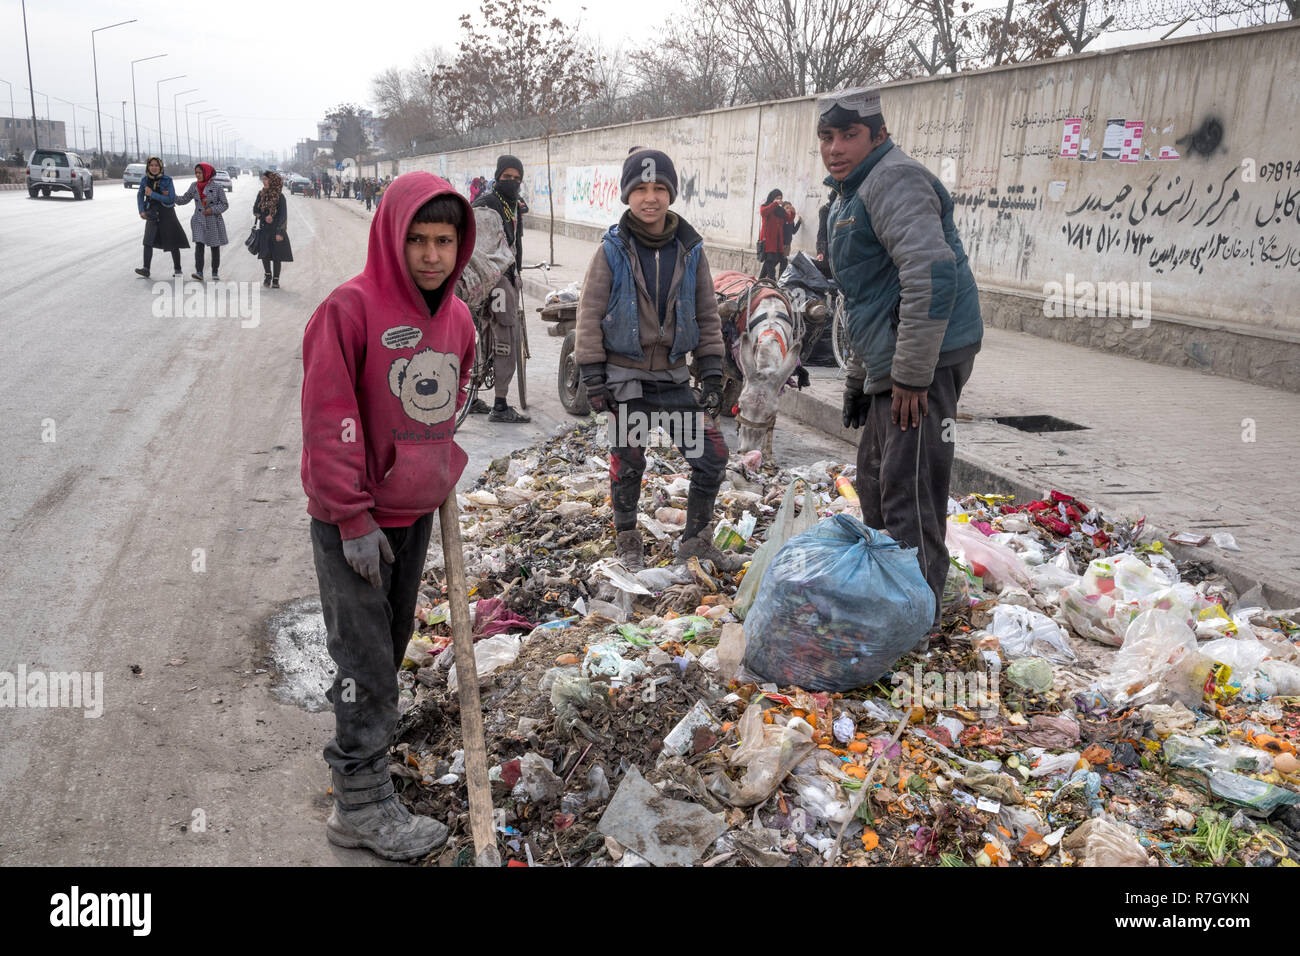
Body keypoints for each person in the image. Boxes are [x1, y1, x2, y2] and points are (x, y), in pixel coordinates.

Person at [300, 171, 476, 861]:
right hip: (356, 522)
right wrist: (350, 518)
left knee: (389, 647)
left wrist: (434, 474)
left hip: (413, 514)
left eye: (445, 241)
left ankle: (368, 770)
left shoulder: (458, 318)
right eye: (418, 240)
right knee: (365, 660)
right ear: (391, 238)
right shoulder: (347, 310)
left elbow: (452, 400)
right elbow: (327, 421)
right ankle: (360, 806)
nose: (432, 255)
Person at [819, 86, 983, 640]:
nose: (836, 147)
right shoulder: (851, 190)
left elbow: (930, 273)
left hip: (928, 358)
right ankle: (891, 597)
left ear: (879, 135)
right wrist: (861, 378)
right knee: (874, 479)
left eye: (849, 135)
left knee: (909, 491)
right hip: (897, 357)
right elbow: (868, 295)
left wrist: (912, 374)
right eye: (827, 136)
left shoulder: (894, 179)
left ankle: (916, 621)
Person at [574, 148, 741, 573]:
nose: (651, 198)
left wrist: (712, 372)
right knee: (629, 461)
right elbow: (589, 313)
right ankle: (628, 539)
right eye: (641, 189)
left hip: (672, 379)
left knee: (711, 456)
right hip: (625, 379)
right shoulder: (611, 250)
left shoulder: (690, 249)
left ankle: (695, 543)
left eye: (660, 189)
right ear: (627, 195)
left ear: (671, 194)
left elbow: (706, 314)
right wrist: (593, 376)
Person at [469, 154, 531, 423]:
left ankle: (472, 397)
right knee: (506, 335)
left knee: (484, 333)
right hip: (494, 283)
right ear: (497, 176)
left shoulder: (513, 204)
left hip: (503, 279)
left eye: (517, 178)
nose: (512, 182)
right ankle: (501, 405)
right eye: (507, 178)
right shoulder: (487, 204)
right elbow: (481, 249)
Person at [133, 156, 189, 279]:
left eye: (156, 165)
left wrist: (152, 194)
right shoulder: (144, 180)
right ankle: (146, 269)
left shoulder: (167, 180)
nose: (154, 168)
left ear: (160, 167)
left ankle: (178, 270)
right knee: (148, 241)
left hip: (167, 212)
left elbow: (170, 198)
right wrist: (141, 210)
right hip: (152, 212)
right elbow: (140, 196)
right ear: (148, 167)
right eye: (151, 165)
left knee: (173, 241)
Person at [175, 162, 229, 281]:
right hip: (198, 219)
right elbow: (184, 199)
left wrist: (212, 210)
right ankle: (199, 272)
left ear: (207, 173)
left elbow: (225, 204)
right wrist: (171, 196)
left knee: (214, 246)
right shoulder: (194, 186)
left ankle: (215, 271)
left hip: (213, 220)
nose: (198, 175)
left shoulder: (217, 187)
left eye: (200, 172)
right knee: (199, 244)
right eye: (196, 173)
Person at [253, 171, 294, 288]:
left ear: (273, 181)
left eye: (266, 179)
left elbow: (283, 215)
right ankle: (267, 276)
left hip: (276, 230)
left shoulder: (280, 197)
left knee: (277, 256)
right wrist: (263, 217)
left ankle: (276, 280)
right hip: (264, 229)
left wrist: (280, 232)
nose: (264, 181)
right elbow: (255, 210)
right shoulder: (261, 195)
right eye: (263, 179)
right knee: (264, 254)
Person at [757, 189, 787, 280]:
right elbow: (764, 212)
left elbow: (788, 218)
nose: (779, 200)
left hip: (777, 241)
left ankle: (760, 279)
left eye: (780, 198)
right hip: (768, 241)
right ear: (772, 198)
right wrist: (774, 204)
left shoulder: (780, 210)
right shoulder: (765, 206)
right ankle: (772, 281)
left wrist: (792, 211)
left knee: (776, 260)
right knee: (769, 261)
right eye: (777, 198)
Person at [780, 200, 802, 274]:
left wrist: (799, 222)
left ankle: (780, 281)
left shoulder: (791, 220)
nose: (789, 210)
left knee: (784, 264)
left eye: (790, 208)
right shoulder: (781, 219)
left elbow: (793, 231)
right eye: (787, 208)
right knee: (774, 262)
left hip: (788, 245)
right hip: (780, 245)